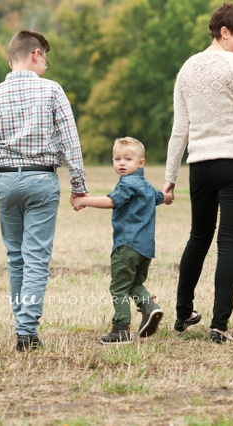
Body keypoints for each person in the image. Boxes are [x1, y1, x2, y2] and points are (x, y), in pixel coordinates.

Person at [0, 29, 88, 352]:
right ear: (35, 54)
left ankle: (21, 324)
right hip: (42, 180)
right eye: (45, 61)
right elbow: (71, 142)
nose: (45, 69)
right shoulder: (52, 91)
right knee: (36, 257)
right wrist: (78, 185)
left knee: (15, 258)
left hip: (7, 180)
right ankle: (26, 331)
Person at [164, 1, 233, 344]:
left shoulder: (187, 68)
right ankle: (219, 326)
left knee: (198, 237)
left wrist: (170, 178)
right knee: (229, 243)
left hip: (200, 165)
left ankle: (182, 312)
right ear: (225, 31)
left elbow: (180, 129)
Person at [73, 137, 174, 345]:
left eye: (128, 159)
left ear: (141, 162)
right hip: (145, 249)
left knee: (118, 288)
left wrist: (84, 200)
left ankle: (120, 329)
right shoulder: (145, 185)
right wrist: (168, 197)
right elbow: (160, 197)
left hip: (127, 245)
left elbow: (111, 201)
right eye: (117, 158)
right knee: (135, 283)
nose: (121, 163)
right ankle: (150, 307)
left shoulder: (127, 184)